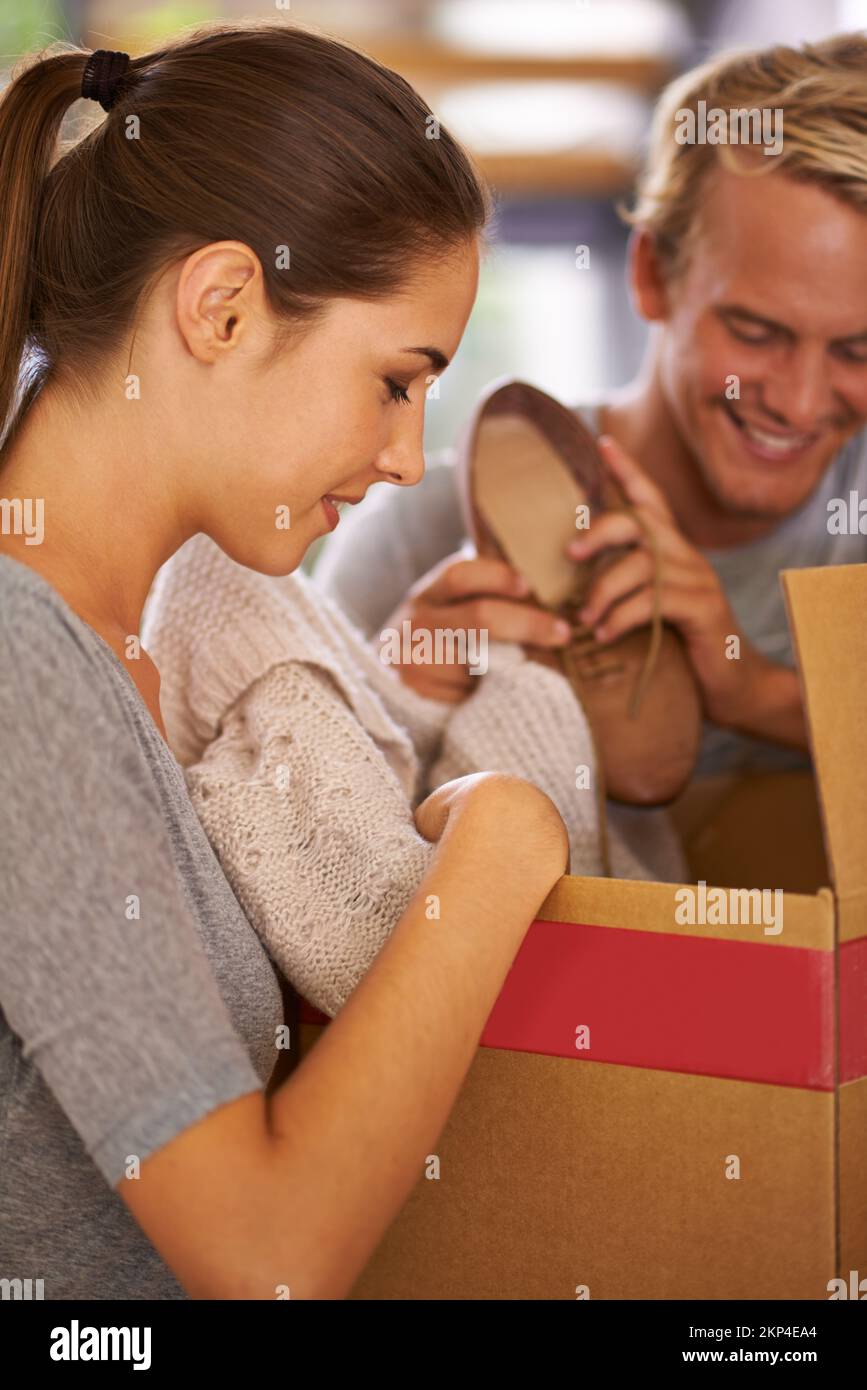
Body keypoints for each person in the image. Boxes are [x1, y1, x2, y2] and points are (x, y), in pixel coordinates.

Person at [0, 24, 570, 1301]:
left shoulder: (145, 643)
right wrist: (496, 845)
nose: (409, 458)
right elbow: (268, 1256)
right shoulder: (20, 657)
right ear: (223, 305)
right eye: (392, 381)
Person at [316, 33, 867, 781]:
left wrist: (750, 693)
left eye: (856, 351)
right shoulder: (422, 535)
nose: (799, 400)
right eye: (754, 332)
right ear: (650, 276)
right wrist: (392, 709)